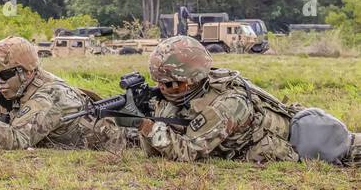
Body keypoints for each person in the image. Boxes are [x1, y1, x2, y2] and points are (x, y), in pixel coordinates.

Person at [127, 35, 361, 165]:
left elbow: (188, 151)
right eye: (158, 83)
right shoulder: (192, 91)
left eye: (168, 84)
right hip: (284, 132)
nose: (162, 89)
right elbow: (157, 150)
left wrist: (143, 125)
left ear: (190, 81)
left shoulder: (228, 104)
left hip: (303, 143)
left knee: (349, 149)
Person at [0, 36, 133, 151]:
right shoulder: (23, 87)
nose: (0, 81)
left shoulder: (49, 95)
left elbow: (18, 139)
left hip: (116, 144)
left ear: (28, 72)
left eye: (6, 74)